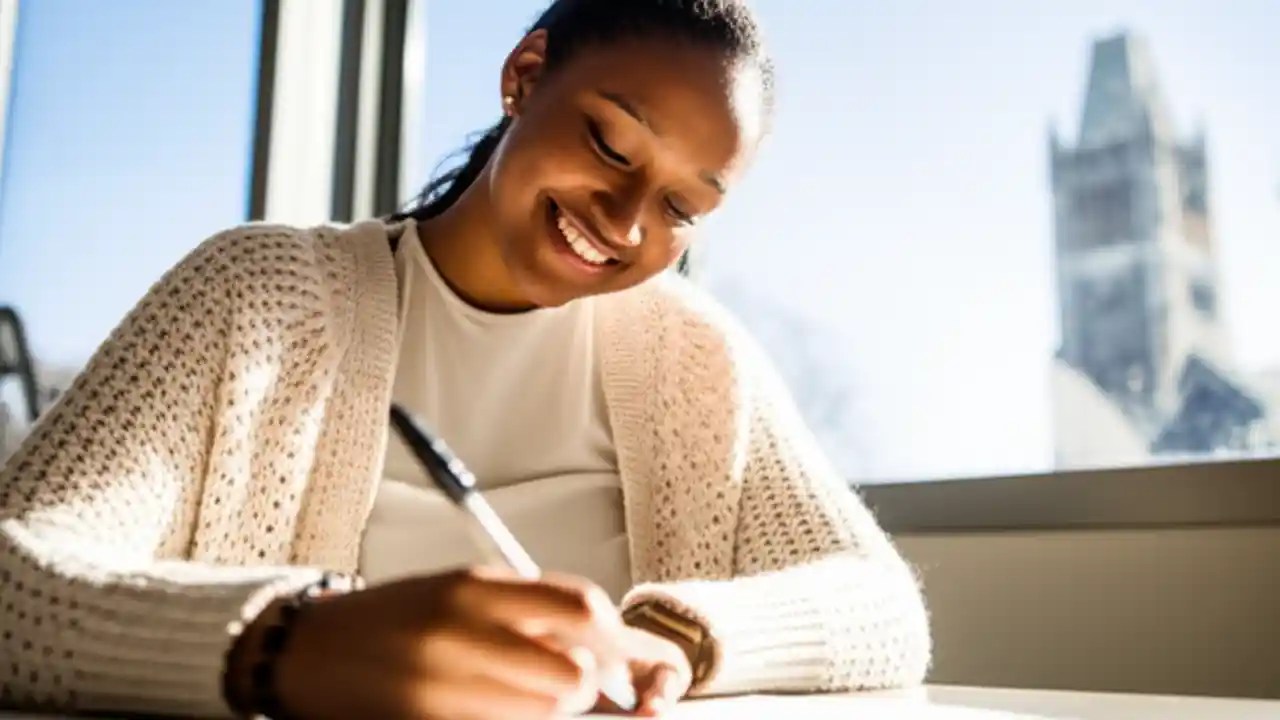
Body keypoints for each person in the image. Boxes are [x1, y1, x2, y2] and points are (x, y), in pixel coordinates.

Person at [0, 0, 931, 717]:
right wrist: (287, 644)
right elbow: (16, 578)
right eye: (609, 142)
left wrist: (678, 635)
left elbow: (880, 608)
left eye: (683, 208)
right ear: (525, 76)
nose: (625, 220)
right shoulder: (258, 295)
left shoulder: (696, 357)